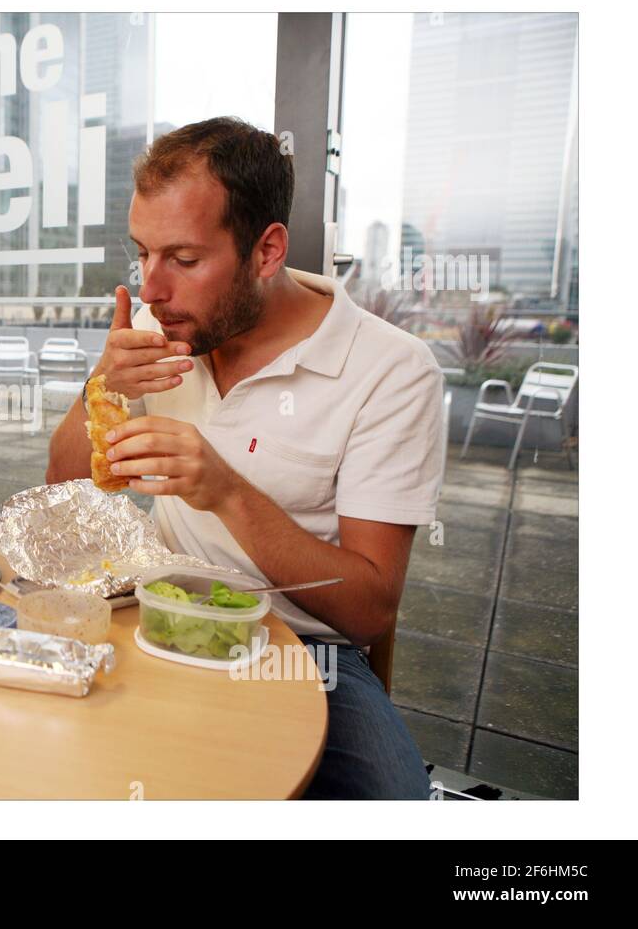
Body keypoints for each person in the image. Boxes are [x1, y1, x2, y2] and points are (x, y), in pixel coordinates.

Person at [46, 117, 443, 799]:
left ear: (267, 252)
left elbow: (369, 609)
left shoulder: (391, 371)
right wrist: (102, 389)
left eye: (184, 259)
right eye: (143, 254)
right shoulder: (159, 329)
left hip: (306, 650)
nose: (152, 290)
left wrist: (227, 492)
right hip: (155, 612)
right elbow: (62, 483)